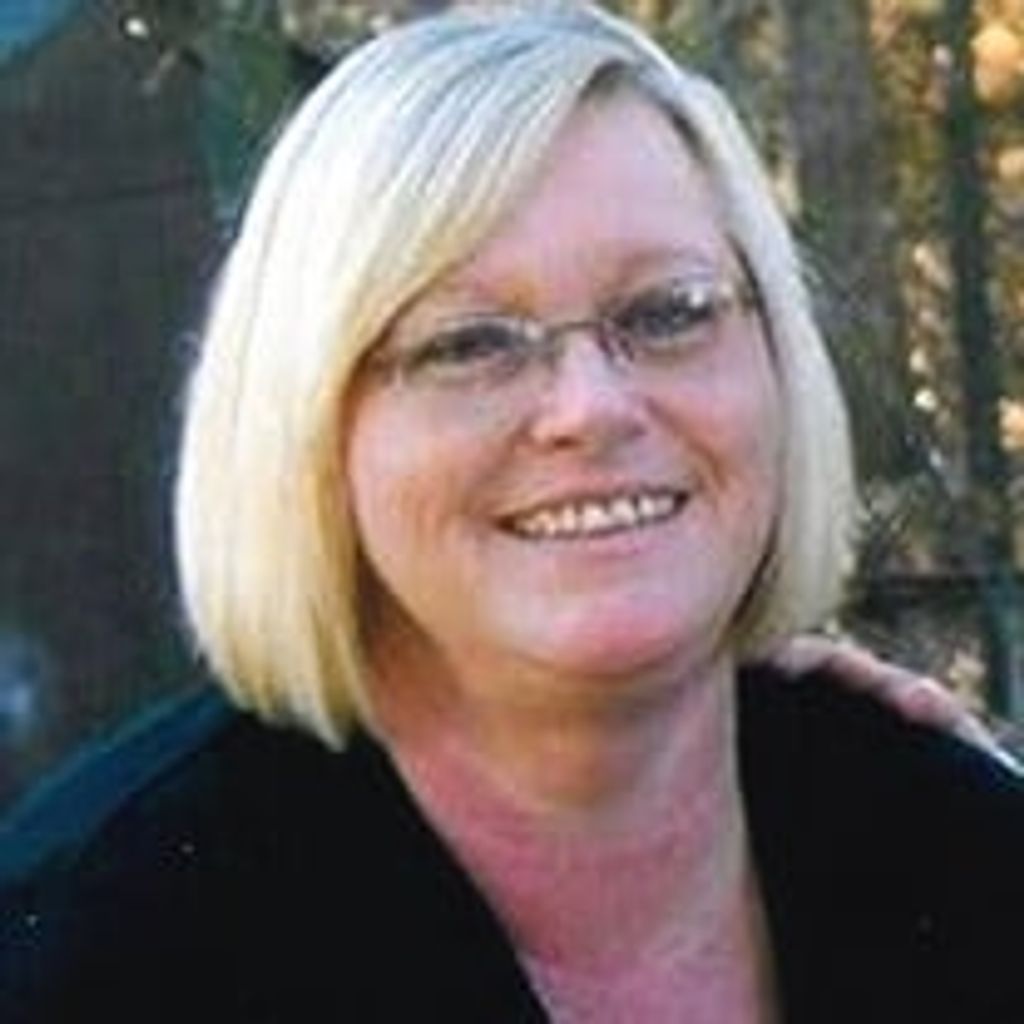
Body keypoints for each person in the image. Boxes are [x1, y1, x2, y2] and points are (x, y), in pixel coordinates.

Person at [1, 4, 1021, 1021]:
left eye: (667, 312)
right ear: (306, 428)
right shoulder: (96, 957)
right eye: (468, 343)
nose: (591, 409)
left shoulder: (962, 856)